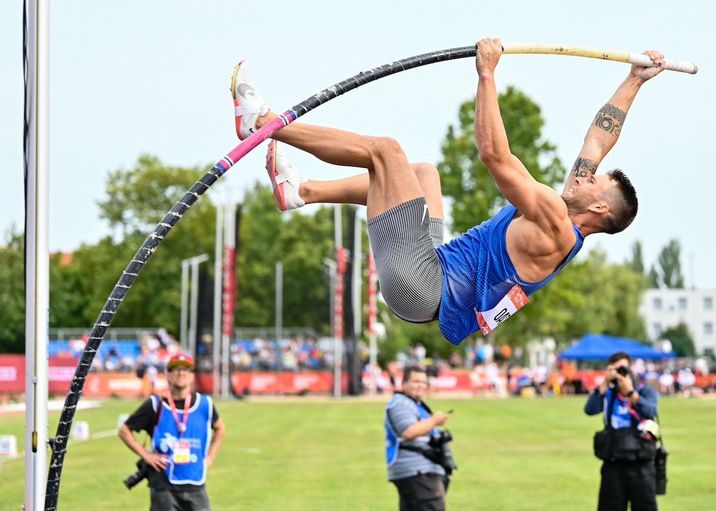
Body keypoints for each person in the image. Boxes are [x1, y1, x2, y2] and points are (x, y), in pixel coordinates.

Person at [230, 38, 666, 345]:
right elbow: (598, 139)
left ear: (597, 208)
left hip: (422, 285)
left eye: (595, 181)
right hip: (434, 272)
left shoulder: (554, 221)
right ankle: (301, 192)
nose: (586, 174)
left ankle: (263, 121)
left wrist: (487, 74)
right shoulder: (570, 214)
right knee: (423, 175)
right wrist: (635, 80)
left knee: (386, 153)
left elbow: (495, 155)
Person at [118, 352, 225, 511]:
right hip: (163, 484)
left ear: (191, 376)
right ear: (168, 375)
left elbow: (220, 429)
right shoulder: (156, 405)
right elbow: (124, 430)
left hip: (195, 482)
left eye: (185, 369)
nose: (181, 373)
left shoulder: (205, 405)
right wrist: (146, 455)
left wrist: (210, 458)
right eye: (175, 369)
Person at [585, 351, 660, 511]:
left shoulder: (644, 391)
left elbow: (650, 411)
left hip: (640, 463)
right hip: (614, 462)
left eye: (622, 369)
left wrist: (631, 393)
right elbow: (590, 409)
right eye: (614, 370)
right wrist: (604, 384)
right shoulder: (608, 394)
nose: (619, 374)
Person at [384, 366, 454, 510]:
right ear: (404, 384)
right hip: (417, 471)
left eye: (423, 382)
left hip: (421, 470)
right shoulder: (400, 403)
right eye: (415, 381)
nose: (420, 385)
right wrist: (434, 421)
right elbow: (408, 431)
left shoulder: (416, 405)